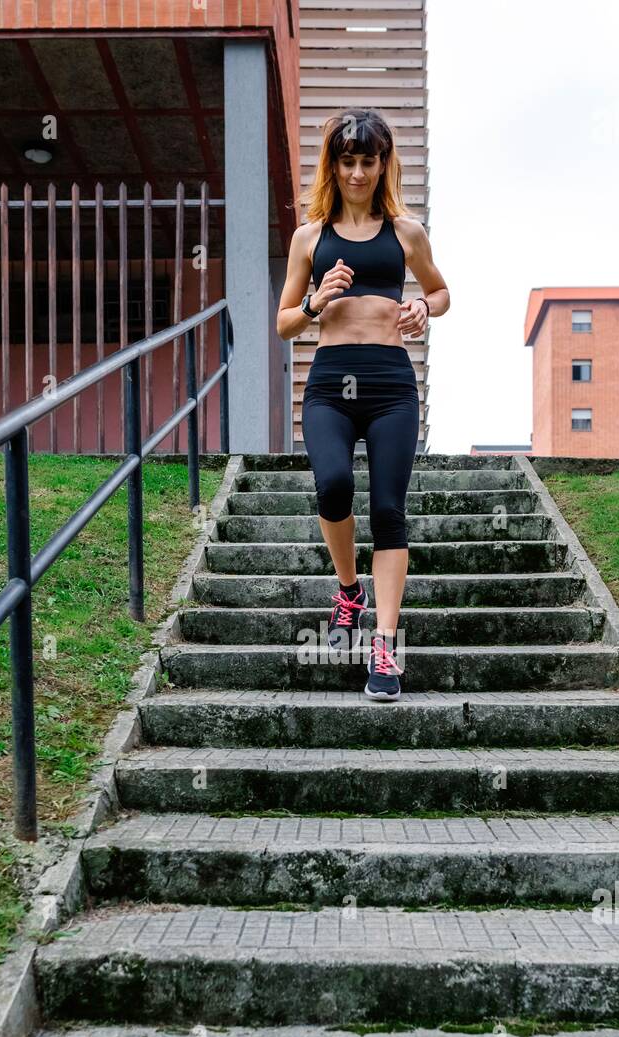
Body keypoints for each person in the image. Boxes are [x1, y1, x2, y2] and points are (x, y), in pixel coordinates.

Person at [276, 107, 450, 700]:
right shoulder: (310, 237)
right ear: (334, 164)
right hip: (330, 383)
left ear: (383, 164)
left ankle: (384, 648)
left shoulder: (406, 232)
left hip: (390, 385)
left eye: (367, 162)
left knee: (389, 511)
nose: (357, 173)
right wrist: (317, 300)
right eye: (347, 161)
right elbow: (283, 324)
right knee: (331, 487)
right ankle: (348, 590)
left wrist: (425, 309)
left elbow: (440, 289)